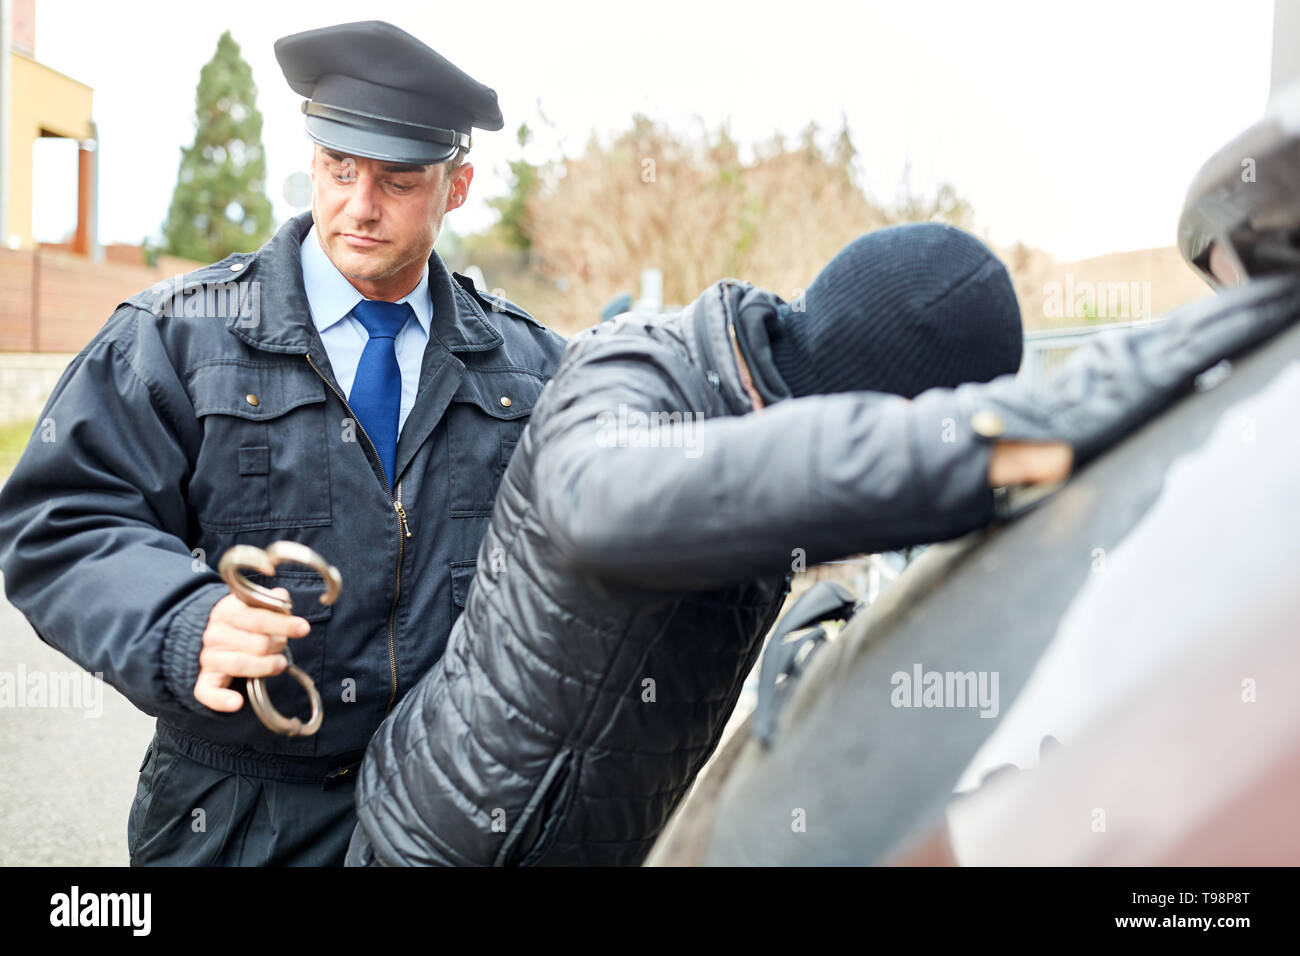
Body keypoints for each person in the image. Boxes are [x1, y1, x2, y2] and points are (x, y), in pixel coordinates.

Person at [0, 20, 565, 866]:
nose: (359, 206)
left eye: (399, 180)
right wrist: (180, 621)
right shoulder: (176, 336)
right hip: (230, 819)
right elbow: (60, 523)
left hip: (451, 813)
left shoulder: (531, 366)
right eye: (339, 169)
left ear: (458, 187)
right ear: (312, 161)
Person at [347, 222, 1084, 866]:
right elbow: (600, 503)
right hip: (450, 844)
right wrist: (957, 453)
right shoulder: (637, 374)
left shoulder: (767, 406)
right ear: (868, 410)